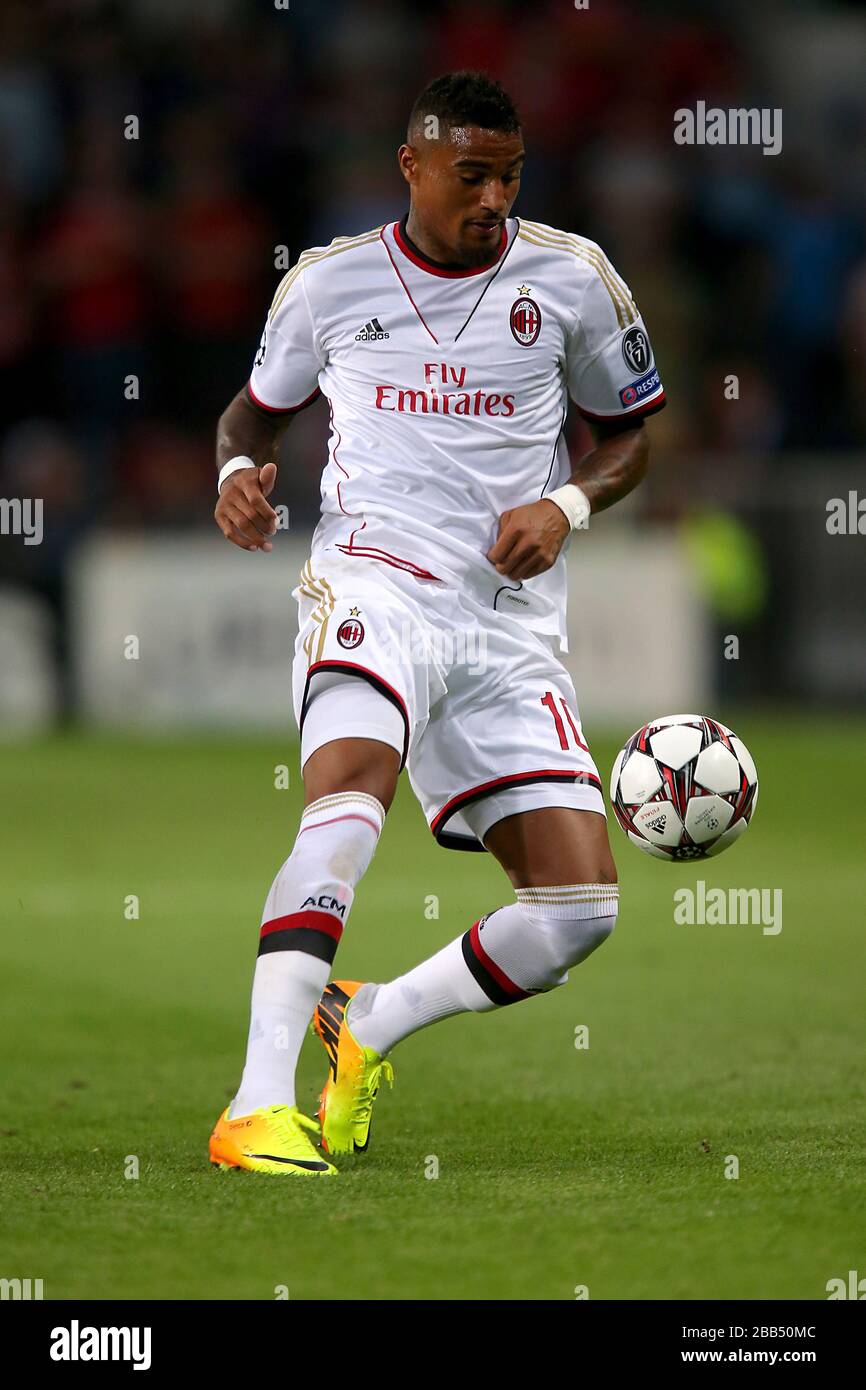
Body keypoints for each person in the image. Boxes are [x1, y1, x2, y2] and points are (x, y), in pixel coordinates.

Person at [208, 71, 665, 1176]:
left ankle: (369, 1020)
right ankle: (255, 1104)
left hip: (505, 626)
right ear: (410, 166)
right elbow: (251, 416)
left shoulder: (573, 279)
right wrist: (234, 475)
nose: (494, 197)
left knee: (575, 910)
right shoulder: (327, 284)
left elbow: (630, 435)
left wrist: (565, 505)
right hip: (372, 582)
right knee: (348, 799)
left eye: (510, 175)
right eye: (472, 175)